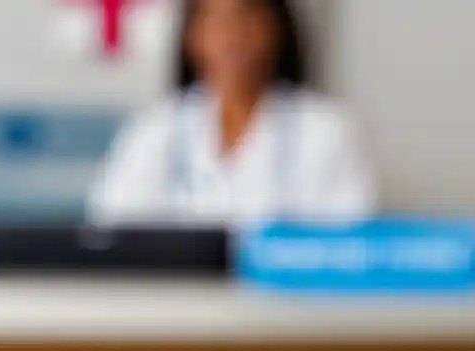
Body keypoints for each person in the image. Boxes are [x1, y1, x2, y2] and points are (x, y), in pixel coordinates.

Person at [89, 0, 377, 226]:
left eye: (246, 15)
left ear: (277, 27)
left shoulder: (325, 128)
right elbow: (114, 226)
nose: (231, 35)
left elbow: (346, 241)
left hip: (288, 300)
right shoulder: (155, 128)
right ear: (191, 35)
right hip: (175, 297)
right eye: (214, 19)